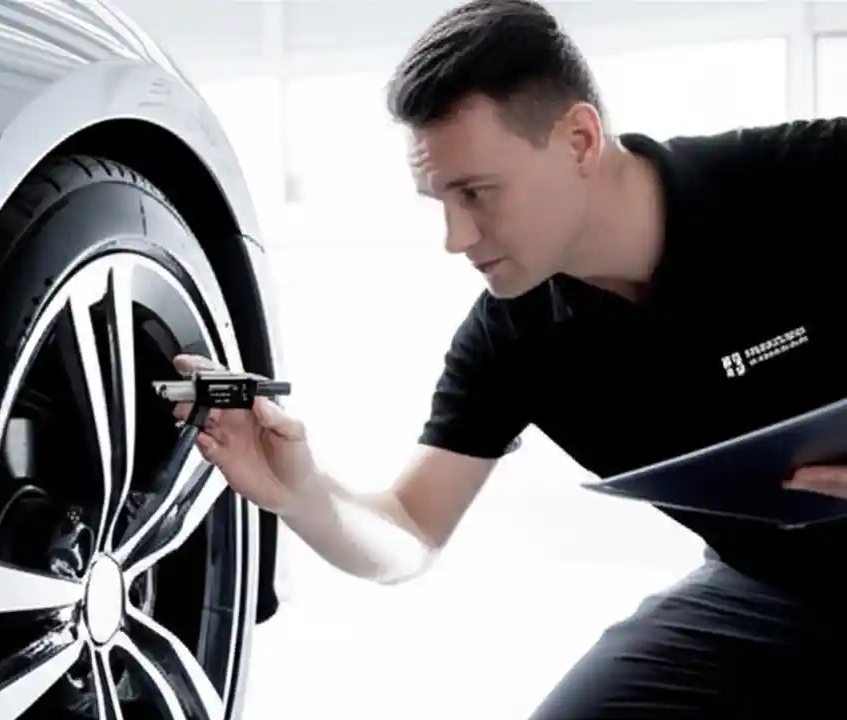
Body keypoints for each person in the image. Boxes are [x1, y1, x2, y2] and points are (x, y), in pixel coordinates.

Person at [171, 0, 847, 716]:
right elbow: (408, 531)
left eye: (476, 194)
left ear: (580, 139)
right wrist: (301, 495)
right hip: (770, 593)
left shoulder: (803, 177)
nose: (456, 237)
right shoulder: (514, 334)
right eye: (438, 199)